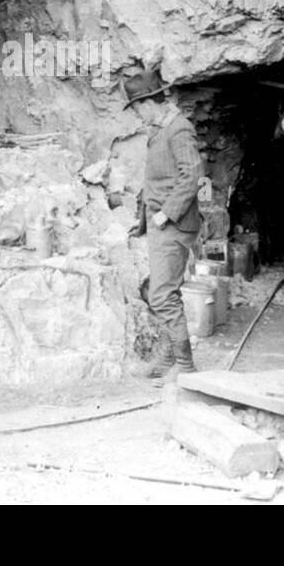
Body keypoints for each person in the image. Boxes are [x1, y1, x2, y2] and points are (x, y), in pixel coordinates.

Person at [124, 67, 204, 383]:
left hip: (174, 225)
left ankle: (183, 366)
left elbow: (193, 175)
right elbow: (159, 179)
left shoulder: (179, 129)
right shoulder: (161, 130)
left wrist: (166, 213)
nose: (138, 116)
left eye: (137, 109)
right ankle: (168, 358)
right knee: (164, 292)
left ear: (148, 103)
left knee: (161, 296)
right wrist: (143, 221)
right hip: (160, 227)